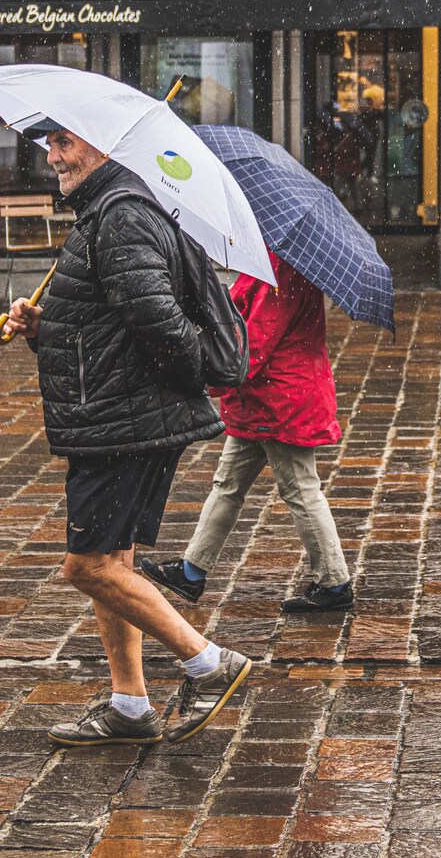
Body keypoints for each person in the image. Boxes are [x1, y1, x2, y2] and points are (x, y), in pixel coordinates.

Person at [0, 130, 253, 748]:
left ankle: (207, 663)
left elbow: (161, 324)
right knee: (114, 561)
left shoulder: (121, 216)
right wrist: (46, 327)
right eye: (47, 144)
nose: (51, 157)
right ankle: (129, 705)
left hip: (123, 424)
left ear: (106, 146)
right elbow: (109, 322)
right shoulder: (105, 213)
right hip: (114, 417)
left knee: (86, 567)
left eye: (64, 143)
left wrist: (168, 390)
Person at [140, 254, 354, 613]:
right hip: (262, 401)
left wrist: (208, 379)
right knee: (228, 484)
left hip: (279, 401)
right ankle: (192, 571)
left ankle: (334, 583)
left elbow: (253, 344)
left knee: (301, 489)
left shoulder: (280, 269)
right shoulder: (275, 263)